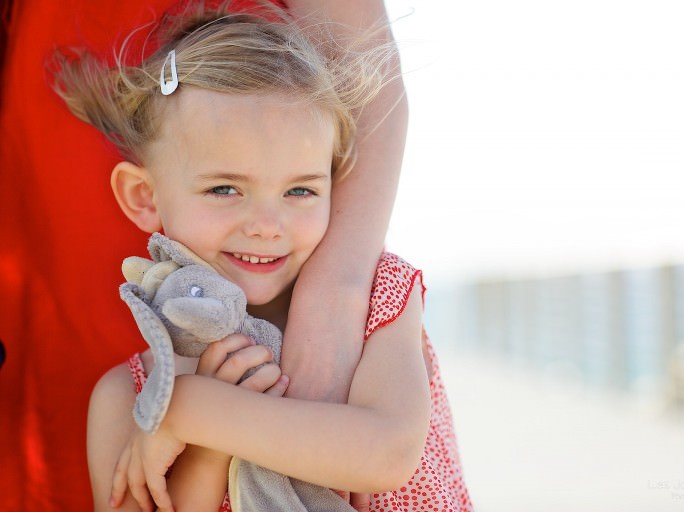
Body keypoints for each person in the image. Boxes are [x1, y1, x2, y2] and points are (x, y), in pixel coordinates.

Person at [51, 2, 473, 512]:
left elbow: (387, 452)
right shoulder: (124, 397)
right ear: (144, 197)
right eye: (225, 188)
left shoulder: (378, 302)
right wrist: (206, 452)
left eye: (300, 191)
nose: (267, 225)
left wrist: (191, 410)